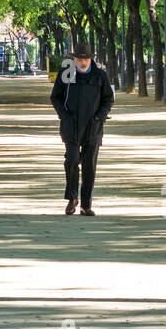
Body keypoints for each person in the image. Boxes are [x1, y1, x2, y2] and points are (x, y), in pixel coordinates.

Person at [50, 43, 114, 216]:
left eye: (86, 59)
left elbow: (108, 99)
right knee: (71, 160)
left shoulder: (100, 76)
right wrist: (64, 115)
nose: (83, 62)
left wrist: (100, 115)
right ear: (74, 59)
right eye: (79, 59)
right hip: (71, 126)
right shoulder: (66, 75)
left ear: (90, 59)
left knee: (89, 166)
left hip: (93, 127)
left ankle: (86, 204)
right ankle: (72, 199)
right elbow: (55, 97)